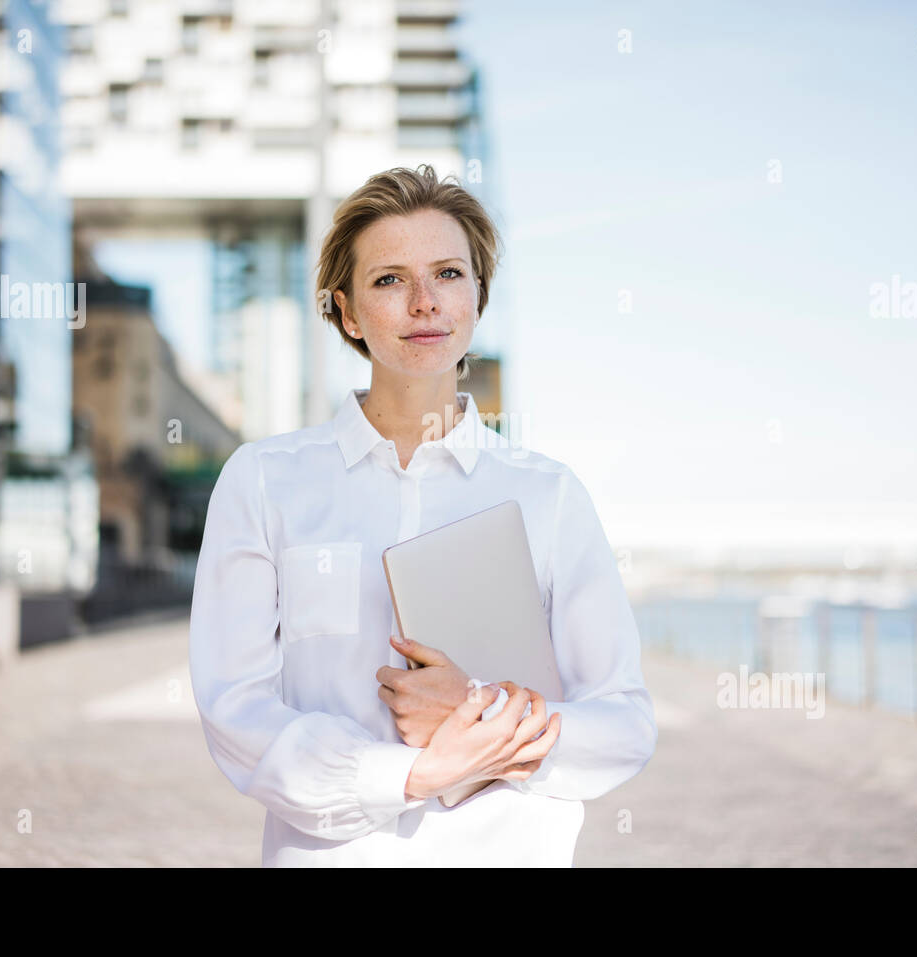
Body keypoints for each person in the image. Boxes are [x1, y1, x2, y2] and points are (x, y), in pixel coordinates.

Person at [188, 164, 657, 867]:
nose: (424, 302)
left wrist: (477, 708)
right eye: (388, 280)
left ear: (477, 296)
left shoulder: (550, 496)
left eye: (447, 274)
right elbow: (236, 711)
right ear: (346, 311)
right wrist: (410, 774)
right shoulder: (263, 482)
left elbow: (623, 722)